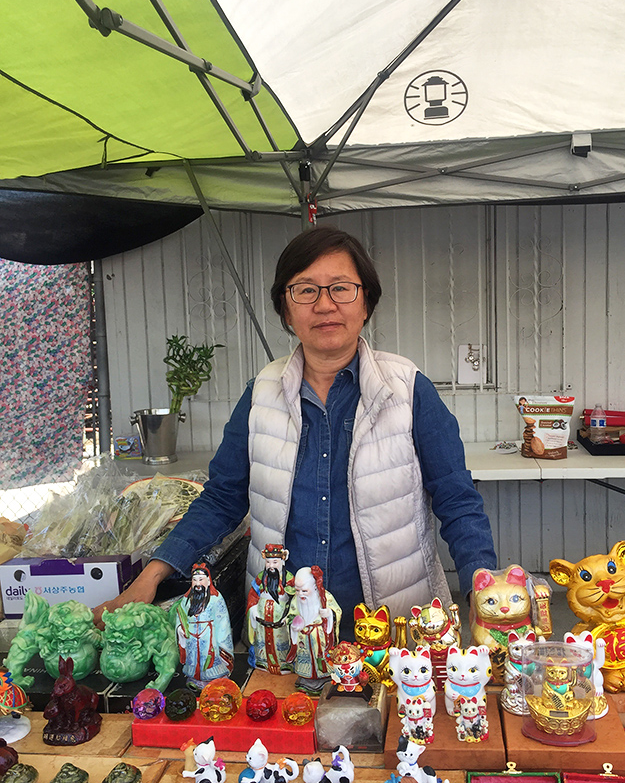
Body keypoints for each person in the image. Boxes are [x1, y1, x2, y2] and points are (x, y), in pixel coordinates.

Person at [94, 225, 496, 641]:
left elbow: (457, 500)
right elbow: (221, 498)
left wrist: (482, 589)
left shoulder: (409, 390)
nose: (325, 305)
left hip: (391, 634)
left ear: (366, 303)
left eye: (341, 288)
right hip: (282, 633)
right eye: (305, 290)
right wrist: (152, 575)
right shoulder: (260, 395)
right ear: (286, 310)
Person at [175, 561, 234, 688]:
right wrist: (180, 628)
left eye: (201, 579)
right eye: (194, 580)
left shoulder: (216, 599)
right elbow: (180, 616)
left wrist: (221, 640)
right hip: (191, 638)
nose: (197, 584)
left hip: (209, 637)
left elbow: (223, 622)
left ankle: (214, 678)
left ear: (208, 581)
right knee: (194, 659)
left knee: (210, 659)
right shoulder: (186, 600)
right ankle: (195, 679)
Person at [287, 565, 341, 693]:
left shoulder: (325, 597)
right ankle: (306, 680)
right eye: (297, 590)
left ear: (315, 587)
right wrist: (294, 625)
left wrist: (329, 614)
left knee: (323, 659)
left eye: (304, 591)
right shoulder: (296, 601)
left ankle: (326, 678)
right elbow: (290, 616)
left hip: (320, 637)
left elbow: (337, 612)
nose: (300, 594)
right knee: (306, 660)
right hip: (303, 638)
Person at [246, 543, 296, 674]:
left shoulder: (289, 578)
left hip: (281, 621)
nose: (271, 566)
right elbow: (253, 594)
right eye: (268, 562)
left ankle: (285, 663)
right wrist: (253, 608)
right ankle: (263, 662)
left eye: (275, 562)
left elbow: (295, 598)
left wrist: (290, 614)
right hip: (262, 619)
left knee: (281, 641)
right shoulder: (261, 577)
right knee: (262, 640)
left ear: (282, 561)